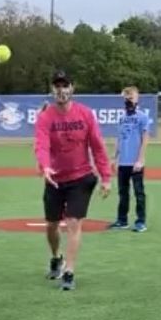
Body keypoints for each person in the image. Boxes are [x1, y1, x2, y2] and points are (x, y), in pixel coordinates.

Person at [33, 70, 112, 291]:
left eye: (65, 86)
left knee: (74, 223)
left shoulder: (85, 114)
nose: (61, 90)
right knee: (51, 225)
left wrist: (106, 177)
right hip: (55, 179)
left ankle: (69, 271)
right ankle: (56, 257)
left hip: (81, 177)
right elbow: (41, 144)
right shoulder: (46, 116)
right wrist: (45, 166)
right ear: (52, 90)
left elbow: (97, 146)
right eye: (57, 86)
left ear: (72, 89)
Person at [111, 86, 152, 232]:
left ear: (137, 98)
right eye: (126, 98)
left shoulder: (142, 117)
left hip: (135, 162)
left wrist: (140, 159)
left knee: (139, 192)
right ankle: (122, 220)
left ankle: (141, 221)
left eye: (131, 98)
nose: (128, 101)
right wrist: (114, 158)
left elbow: (145, 139)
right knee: (123, 193)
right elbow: (119, 138)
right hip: (123, 162)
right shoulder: (122, 117)